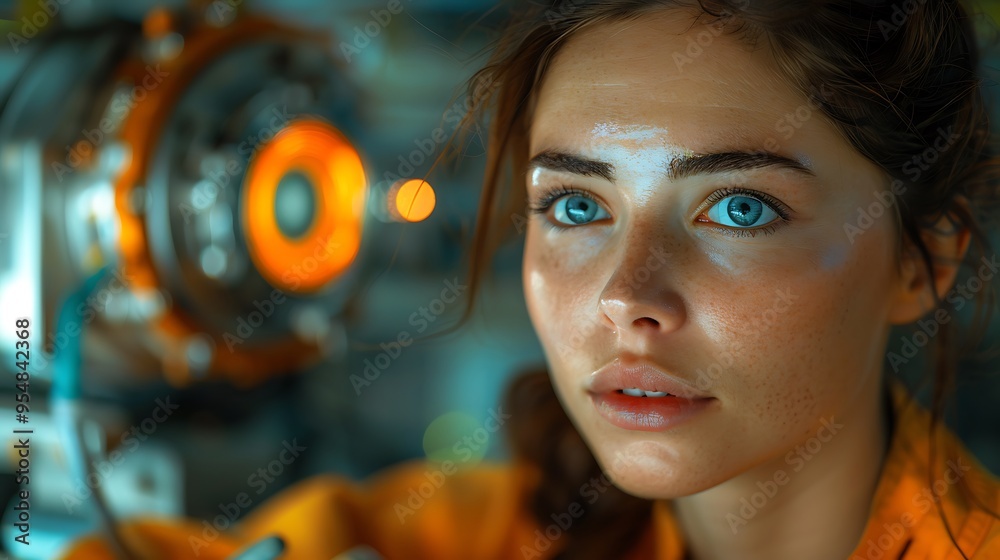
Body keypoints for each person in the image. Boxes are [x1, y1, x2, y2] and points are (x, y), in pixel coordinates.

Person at [63, 1, 1000, 558]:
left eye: (740, 209)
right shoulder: (470, 536)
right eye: (578, 206)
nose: (625, 295)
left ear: (924, 260)